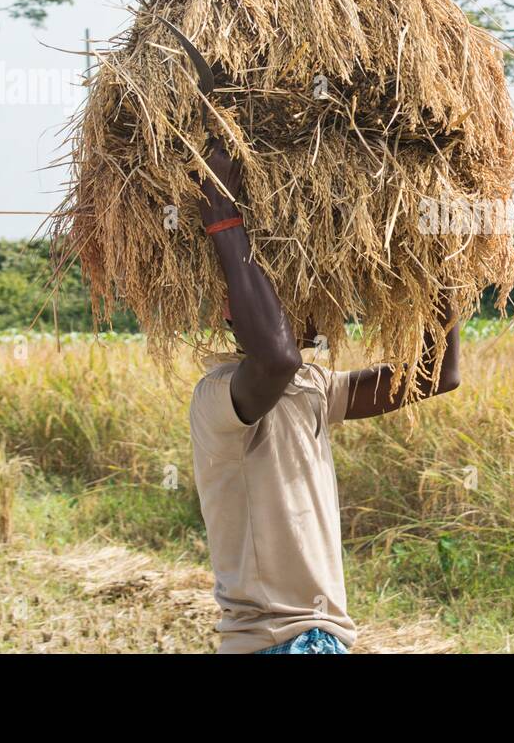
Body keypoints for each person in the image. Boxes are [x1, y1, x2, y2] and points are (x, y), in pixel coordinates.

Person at [189, 136, 461, 654]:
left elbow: (434, 374)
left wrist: (438, 263)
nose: (318, 310)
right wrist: (224, 219)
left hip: (322, 639)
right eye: (291, 300)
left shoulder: (309, 388)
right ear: (237, 313)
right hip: (276, 640)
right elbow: (276, 357)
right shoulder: (218, 399)